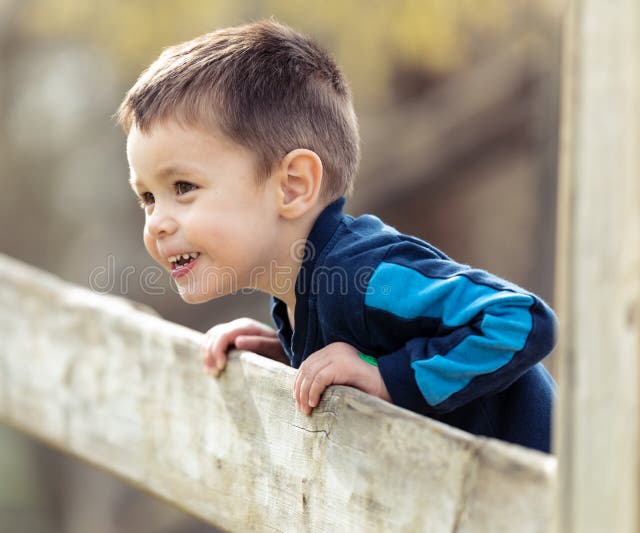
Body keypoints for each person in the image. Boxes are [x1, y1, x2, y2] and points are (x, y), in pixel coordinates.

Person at [116, 20, 557, 452]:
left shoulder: (361, 275)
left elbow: (520, 320)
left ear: (293, 185)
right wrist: (289, 355)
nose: (157, 223)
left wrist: (386, 376)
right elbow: (373, 346)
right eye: (148, 198)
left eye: (184, 188)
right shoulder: (308, 291)